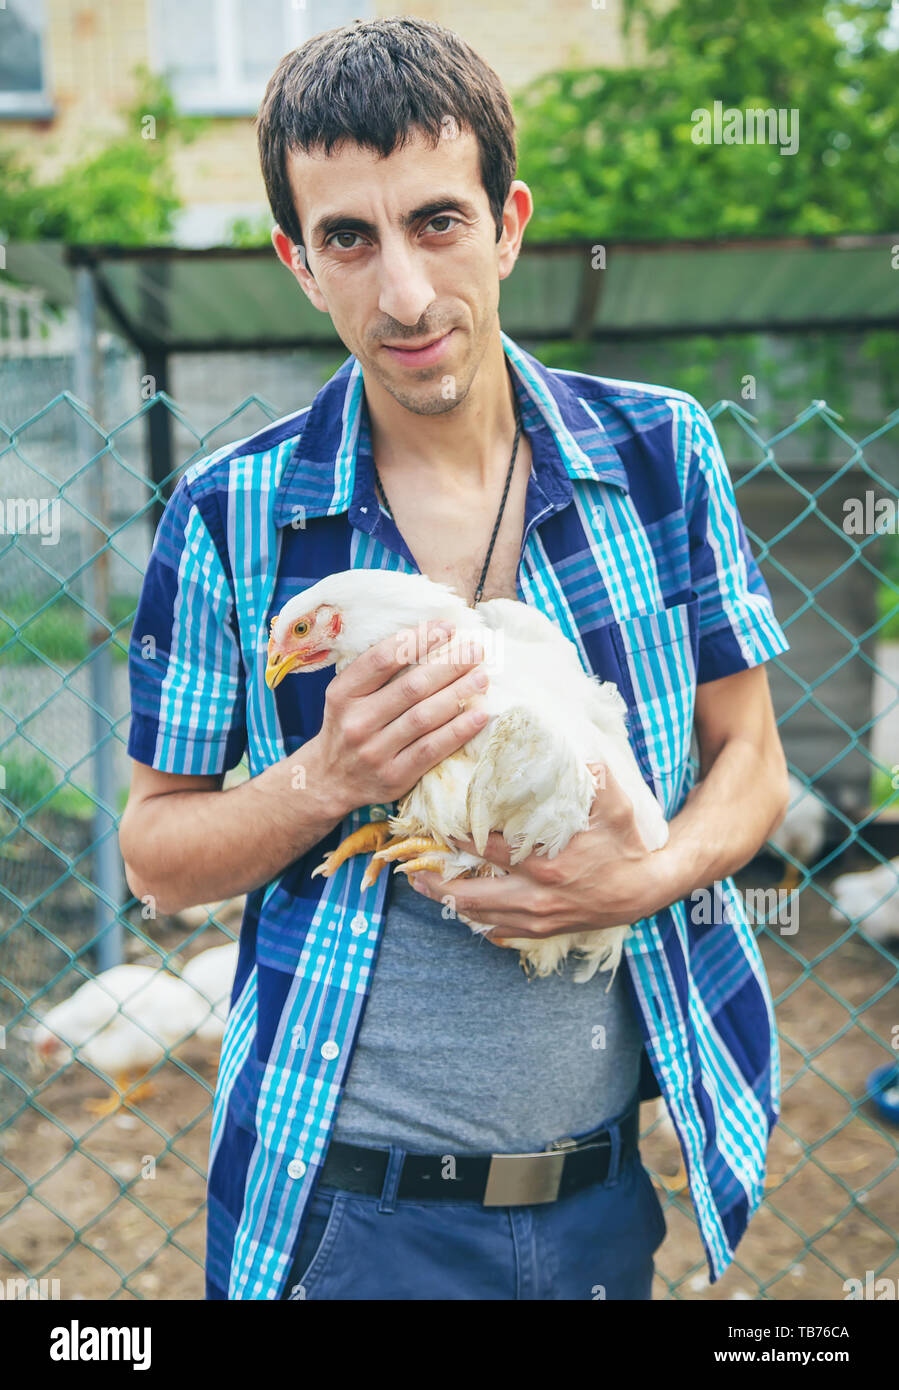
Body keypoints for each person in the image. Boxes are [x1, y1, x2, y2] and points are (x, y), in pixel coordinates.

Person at [119, 16, 791, 1301]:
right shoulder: (231, 514)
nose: (406, 295)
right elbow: (154, 856)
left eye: (436, 223)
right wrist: (323, 777)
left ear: (509, 223)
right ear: (296, 262)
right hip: (343, 1221)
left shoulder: (658, 457)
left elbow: (748, 759)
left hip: (599, 1202)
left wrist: (641, 878)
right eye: (348, 240)